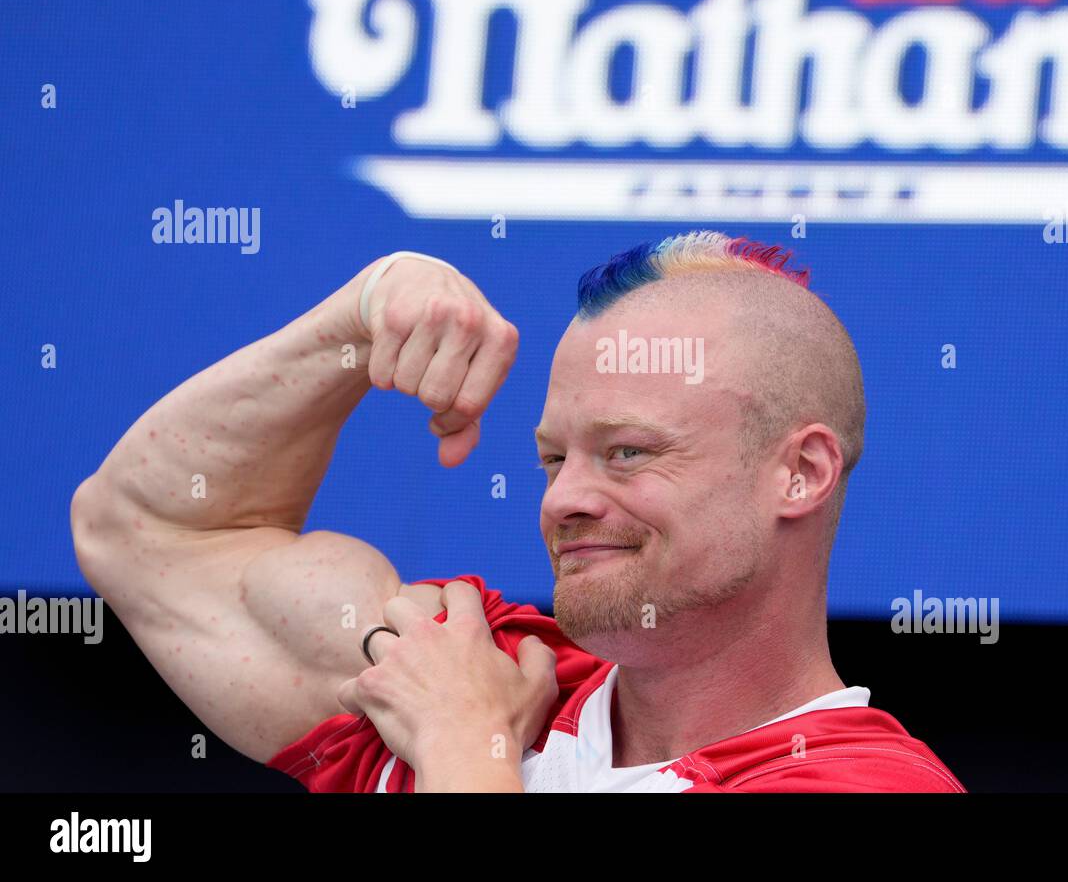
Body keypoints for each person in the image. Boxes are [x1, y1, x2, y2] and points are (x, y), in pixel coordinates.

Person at [70, 231, 965, 793]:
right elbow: (147, 531)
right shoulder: (464, 664)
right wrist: (358, 316)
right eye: (552, 457)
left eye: (627, 452)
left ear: (801, 472)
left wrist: (463, 745)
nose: (565, 499)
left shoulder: (865, 781)